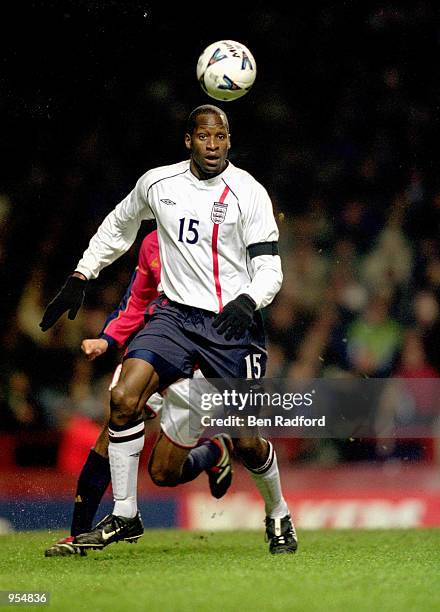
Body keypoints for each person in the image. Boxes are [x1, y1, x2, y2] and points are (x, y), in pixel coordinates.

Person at [40, 105, 297, 554]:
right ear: (188, 140)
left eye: (220, 137)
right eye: (204, 137)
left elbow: (269, 267)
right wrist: (82, 274)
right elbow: (119, 225)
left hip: (232, 326)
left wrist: (248, 300)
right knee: (122, 399)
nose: (212, 145)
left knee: (248, 442)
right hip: (174, 318)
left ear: (229, 141)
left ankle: (278, 513)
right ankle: (124, 516)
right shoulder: (159, 184)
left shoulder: (248, 192)